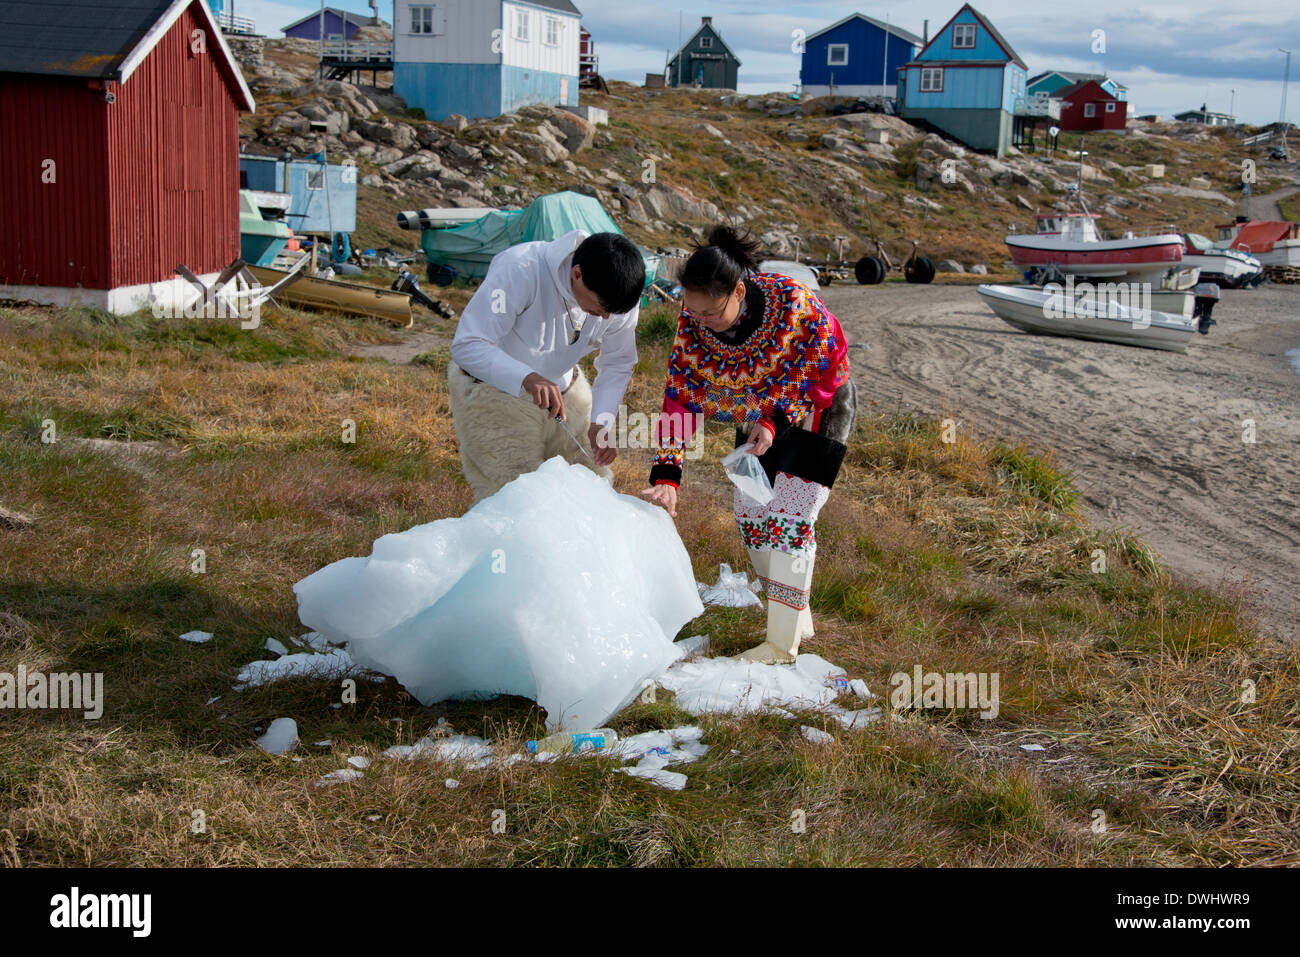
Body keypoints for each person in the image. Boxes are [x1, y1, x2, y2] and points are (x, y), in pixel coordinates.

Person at [641, 227, 856, 664]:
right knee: (753, 514)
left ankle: (781, 646)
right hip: (756, 414)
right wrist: (668, 474)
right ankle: (796, 617)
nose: (700, 322)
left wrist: (776, 421)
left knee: (791, 519)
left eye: (712, 313)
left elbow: (826, 371)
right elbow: (680, 395)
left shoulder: (794, 303)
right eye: (692, 311)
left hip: (818, 407)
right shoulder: (694, 323)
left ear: (739, 290)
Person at [448, 230, 645, 500]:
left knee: (592, 487)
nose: (606, 317)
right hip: (492, 394)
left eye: (614, 311)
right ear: (577, 274)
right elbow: (468, 344)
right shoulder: (520, 269)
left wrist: (602, 419)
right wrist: (526, 377)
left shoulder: (617, 297)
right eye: (601, 308)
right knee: (513, 498)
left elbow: (617, 362)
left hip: (564, 391)